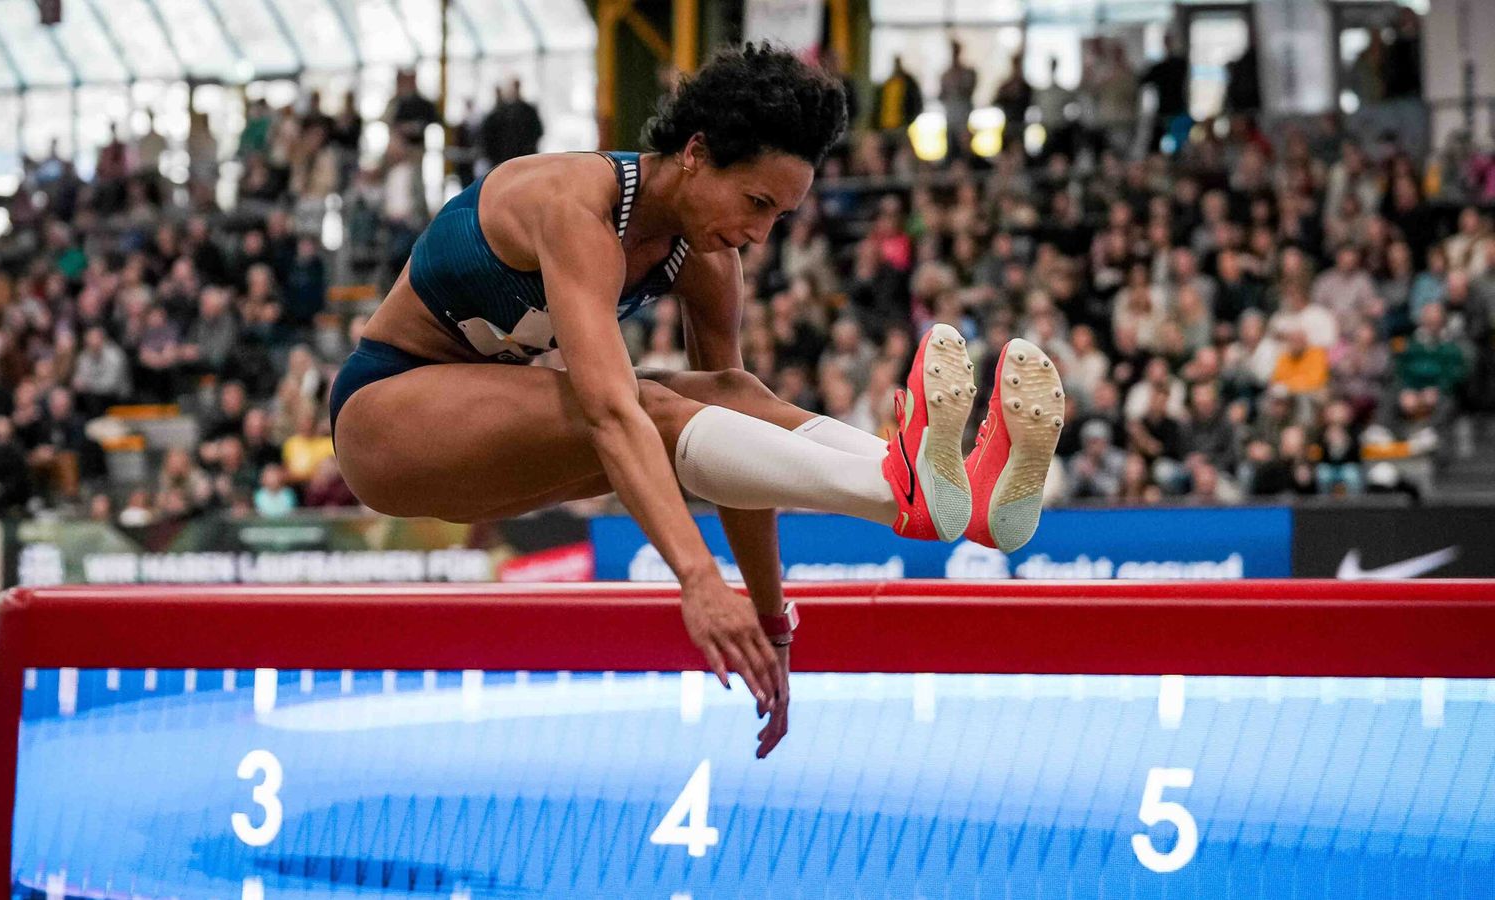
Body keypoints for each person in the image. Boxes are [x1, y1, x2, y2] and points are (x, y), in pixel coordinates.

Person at [329, 45, 1067, 759]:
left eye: (779, 216)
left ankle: (957, 499)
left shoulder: (708, 258)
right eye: (756, 203)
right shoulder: (574, 209)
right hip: (384, 426)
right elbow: (612, 415)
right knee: (643, 404)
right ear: (695, 152)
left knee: (732, 394)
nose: (759, 233)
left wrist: (772, 618)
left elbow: (735, 453)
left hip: (485, 444)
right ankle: (898, 488)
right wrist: (699, 580)